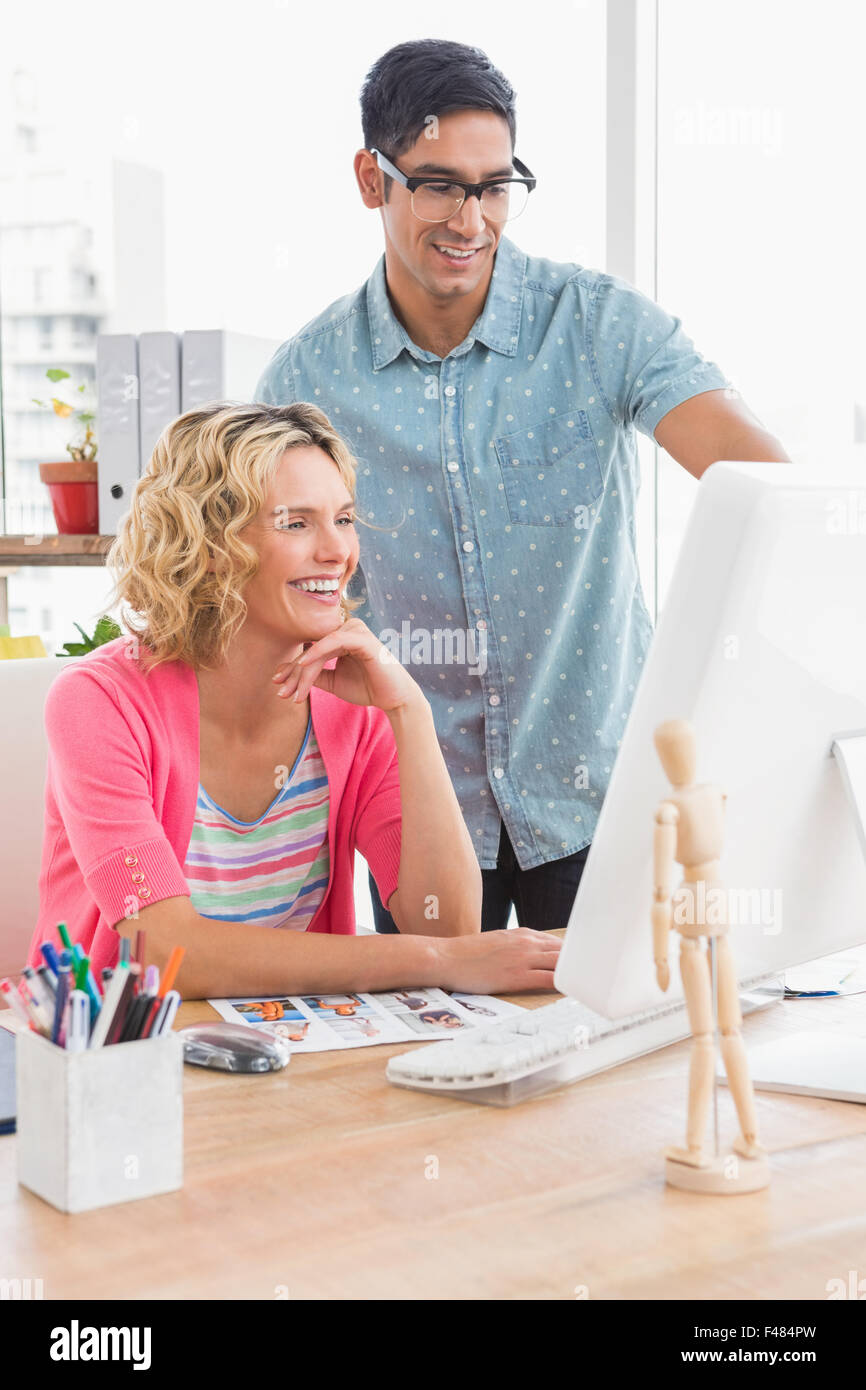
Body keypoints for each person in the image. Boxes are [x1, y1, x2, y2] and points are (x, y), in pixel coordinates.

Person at [255, 38, 790, 936]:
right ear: (369, 177)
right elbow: (267, 580)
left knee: (626, 1062)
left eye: (495, 185)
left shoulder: (598, 324)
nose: (472, 220)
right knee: (434, 1062)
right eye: (439, 185)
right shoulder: (306, 378)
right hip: (418, 812)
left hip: (601, 804)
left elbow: (763, 489)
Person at [28, 402, 561, 999]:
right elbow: (165, 950)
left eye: (345, 518)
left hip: (291, 1056)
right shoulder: (100, 702)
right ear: (209, 547)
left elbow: (446, 923)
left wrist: (410, 713)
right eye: (296, 523)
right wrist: (436, 959)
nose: (338, 551)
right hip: (119, 1057)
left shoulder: (355, 706)